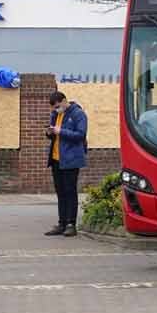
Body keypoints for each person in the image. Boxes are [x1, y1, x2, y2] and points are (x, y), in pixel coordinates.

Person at [44, 90, 88, 237]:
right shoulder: (56, 115)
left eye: (57, 106)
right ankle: (62, 223)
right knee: (60, 192)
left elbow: (80, 135)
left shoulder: (78, 114)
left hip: (71, 159)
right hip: (56, 159)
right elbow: (53, 134)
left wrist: (60, 131)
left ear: (64, 101)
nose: (56, 109)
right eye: (54, 108)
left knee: (70, 192)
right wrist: (49, 132)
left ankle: (71, 224)